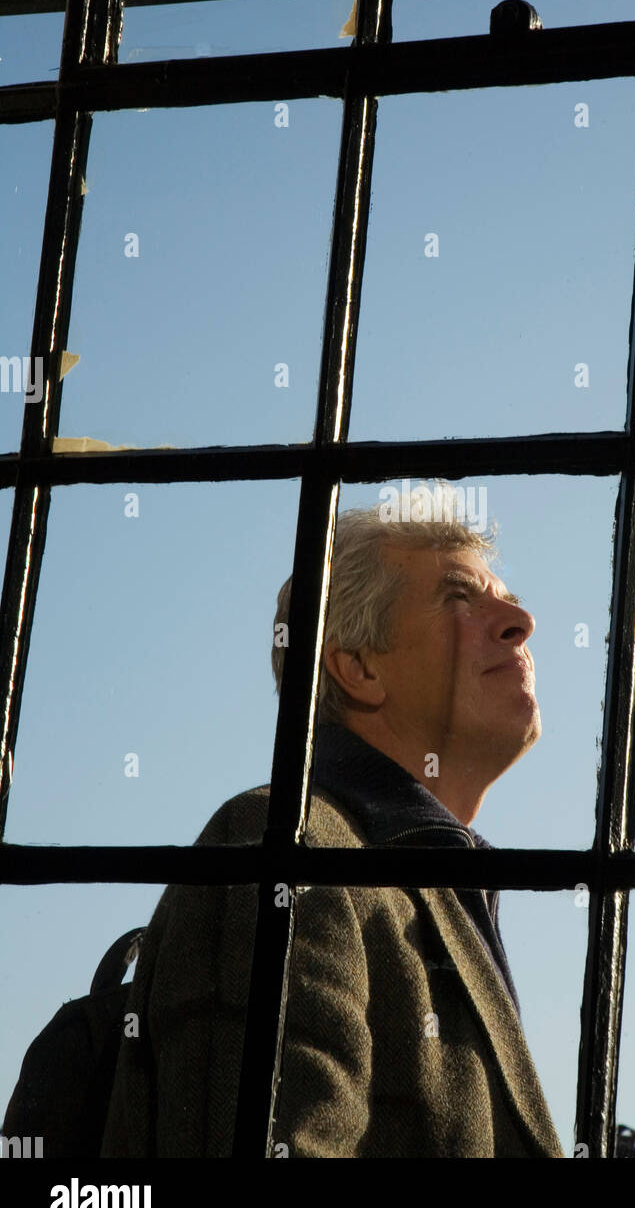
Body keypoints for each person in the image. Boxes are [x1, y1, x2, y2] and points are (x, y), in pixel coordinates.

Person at [101, 483, 564, 1158]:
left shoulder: (434, 882)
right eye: (459, 597)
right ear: (357, 666)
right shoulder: (285, 845)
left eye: (505, 597)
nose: (519, 620)